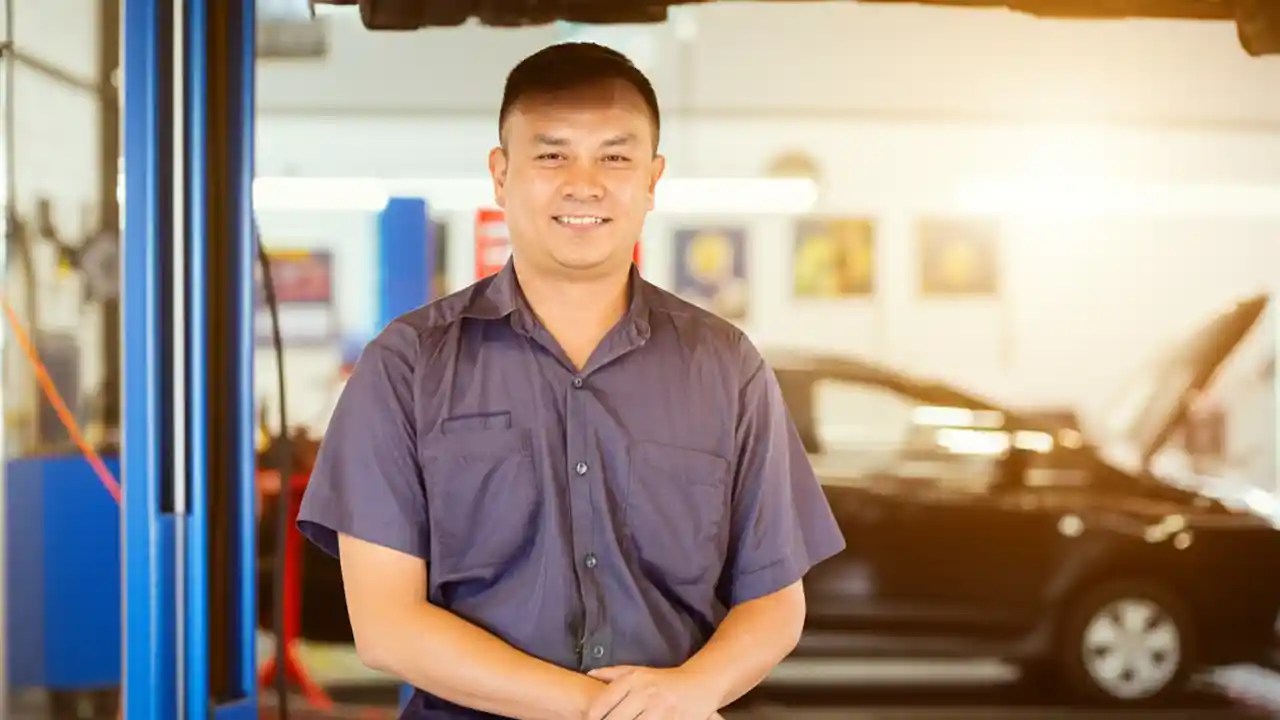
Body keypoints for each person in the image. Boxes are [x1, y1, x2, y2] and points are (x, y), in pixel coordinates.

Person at [296, 41, 846, 720]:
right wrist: (610, 712)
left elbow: (774, 598)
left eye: (615, 156)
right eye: (551, 154)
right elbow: (386, 626)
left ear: (652, 178)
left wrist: (692, 691)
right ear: (501, 174)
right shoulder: (406, 366)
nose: (583, 183)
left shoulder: (725, 366)